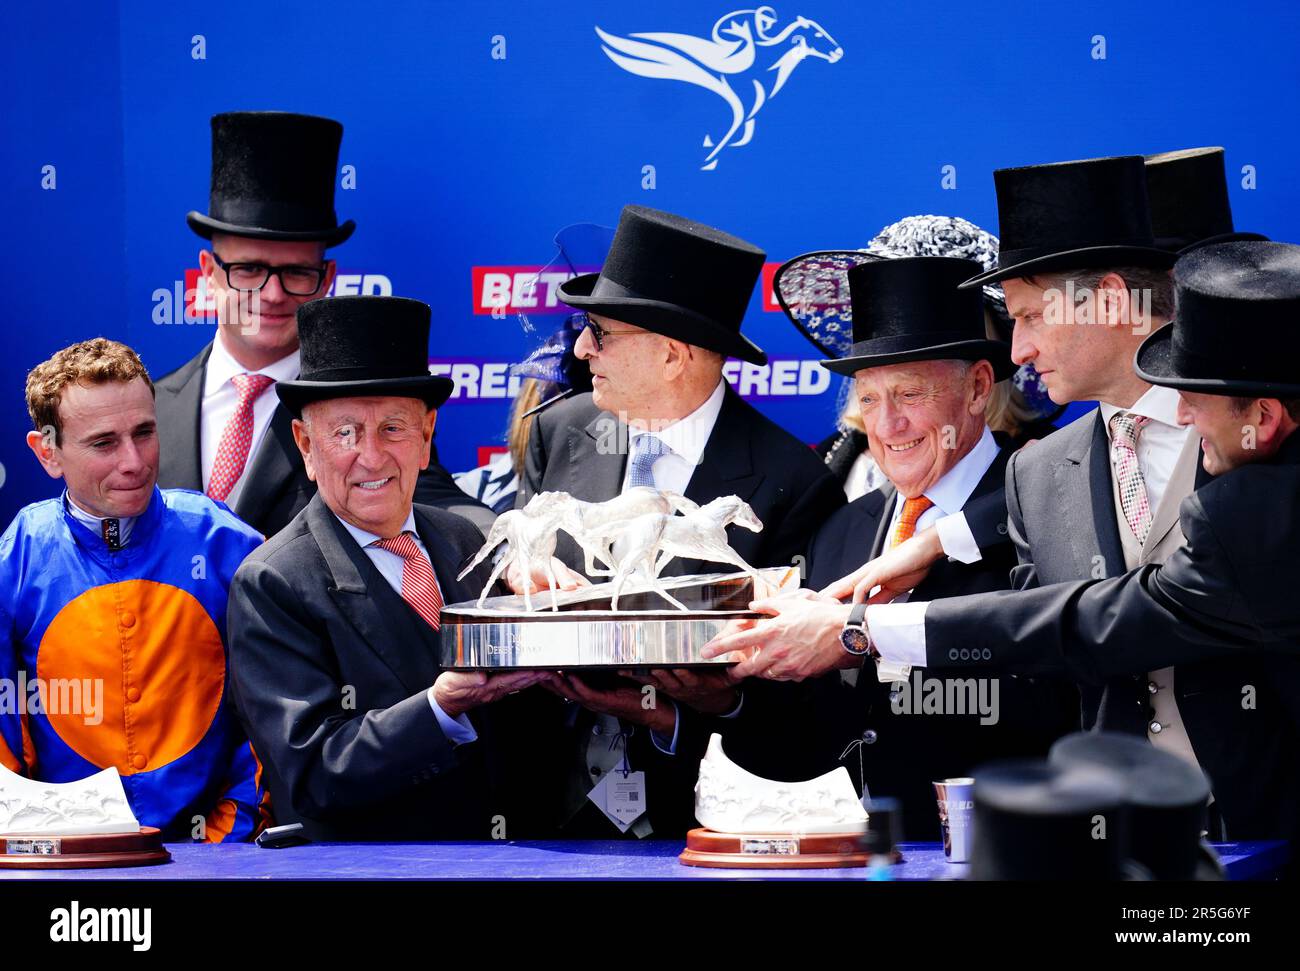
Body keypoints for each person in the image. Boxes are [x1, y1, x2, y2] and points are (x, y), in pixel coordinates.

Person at [513, 204, 845, 837]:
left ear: (670, 355)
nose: (581, 348)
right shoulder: (560, 432)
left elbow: (799, 705)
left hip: (699, 827)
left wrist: (685, 711)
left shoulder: (793, 484)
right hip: (547, 818)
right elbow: (517, 564)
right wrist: (524, 578)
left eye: (600, 332)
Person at [753, 256, 1076, 834]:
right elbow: (810, 727)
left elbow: (1064, 688)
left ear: (979, 387)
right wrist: (710, 702)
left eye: (909, 393)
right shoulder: (843, 528)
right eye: (870, 399)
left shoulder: (1048, 506)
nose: (888, 424)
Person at [226, 296, 563, 840]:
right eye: (344, 433)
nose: (372, 456)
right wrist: (438, 707)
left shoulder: (464, 538)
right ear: (306, 446)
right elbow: (311, 773)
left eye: (393, 428)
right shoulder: (273, 582)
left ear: (427, 437)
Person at [155, 111, 490, 539]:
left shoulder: (365, 404)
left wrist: (507, 547)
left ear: (328, 277)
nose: (273, 294)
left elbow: (436, 498)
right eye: (249, 268)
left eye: (297, 272)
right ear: (208, 271)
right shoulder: (152, 411)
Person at [0, 338, 264, 841]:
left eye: (144, 432)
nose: (135, 461)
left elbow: (269, 723)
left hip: (219, 861)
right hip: (64, 862)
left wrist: (224, 844)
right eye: (103, 443)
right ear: (47, 453)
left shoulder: (228, 545)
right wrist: (40, 847)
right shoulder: (15, 560)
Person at [775, 215, 1061, 500]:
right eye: (887, 312)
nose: (890, 424)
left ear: (979, 381)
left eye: (911, 392)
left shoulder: (1052, 471)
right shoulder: (828, 466)